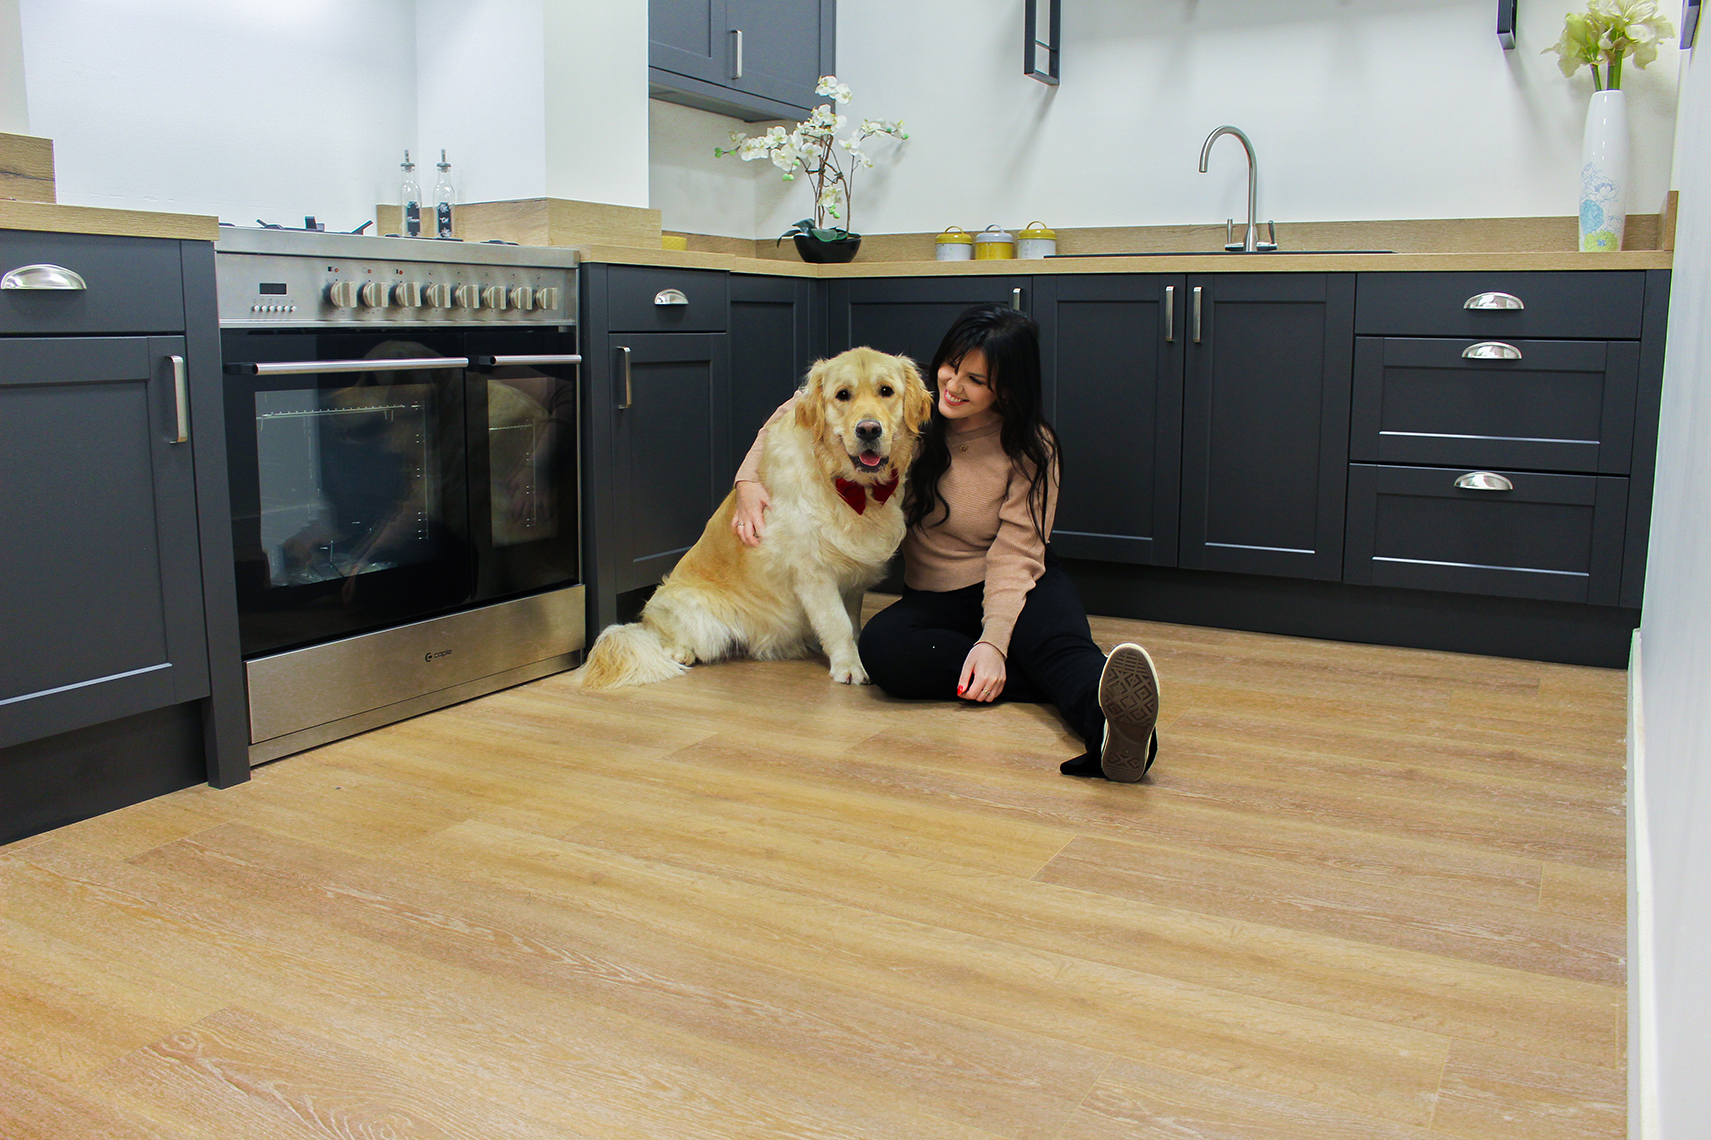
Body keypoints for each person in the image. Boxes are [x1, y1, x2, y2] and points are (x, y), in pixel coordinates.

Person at [731, 304, 1161, 781]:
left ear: (1007, 388)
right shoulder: (912, 413)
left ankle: (1118, 736)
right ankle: (1041, 678)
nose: (954, 385)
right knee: (884, 652)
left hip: (1019, 581)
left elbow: (1017, 550)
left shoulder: (1033, 447)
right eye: (952, 367)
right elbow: (796, 408)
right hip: (936, 595)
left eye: (977, 380)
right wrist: (748, 482)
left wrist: (995, 642)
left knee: (1064, 653)